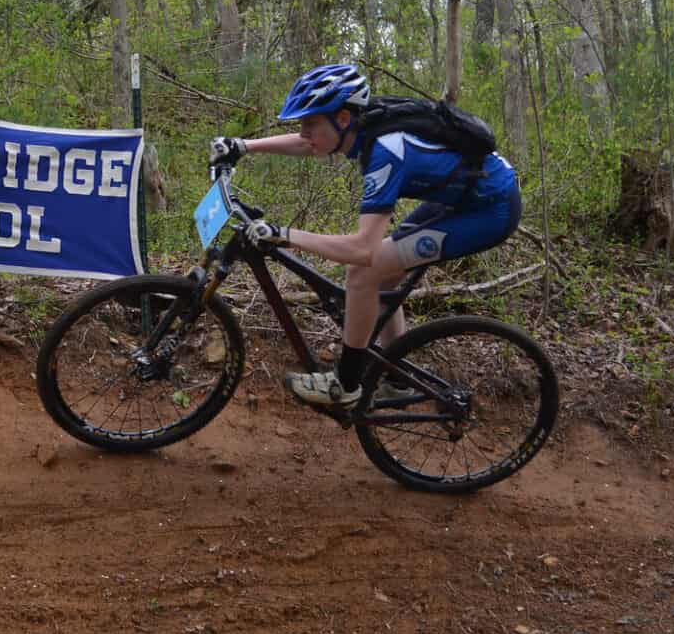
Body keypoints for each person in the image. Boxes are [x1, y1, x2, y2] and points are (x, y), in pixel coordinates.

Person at [208, 63, 522, 409]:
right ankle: (398, 380)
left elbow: (362, 249)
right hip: (463, 197)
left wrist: (284, 234)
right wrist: (243, 146)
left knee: (363, 272)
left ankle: (346, 383)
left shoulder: (387, 153)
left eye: (310, 123)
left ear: (342, 118)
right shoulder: (362, 123)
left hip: (489, 213)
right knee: (384, 274)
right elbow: (310, 144)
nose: (304, 132)